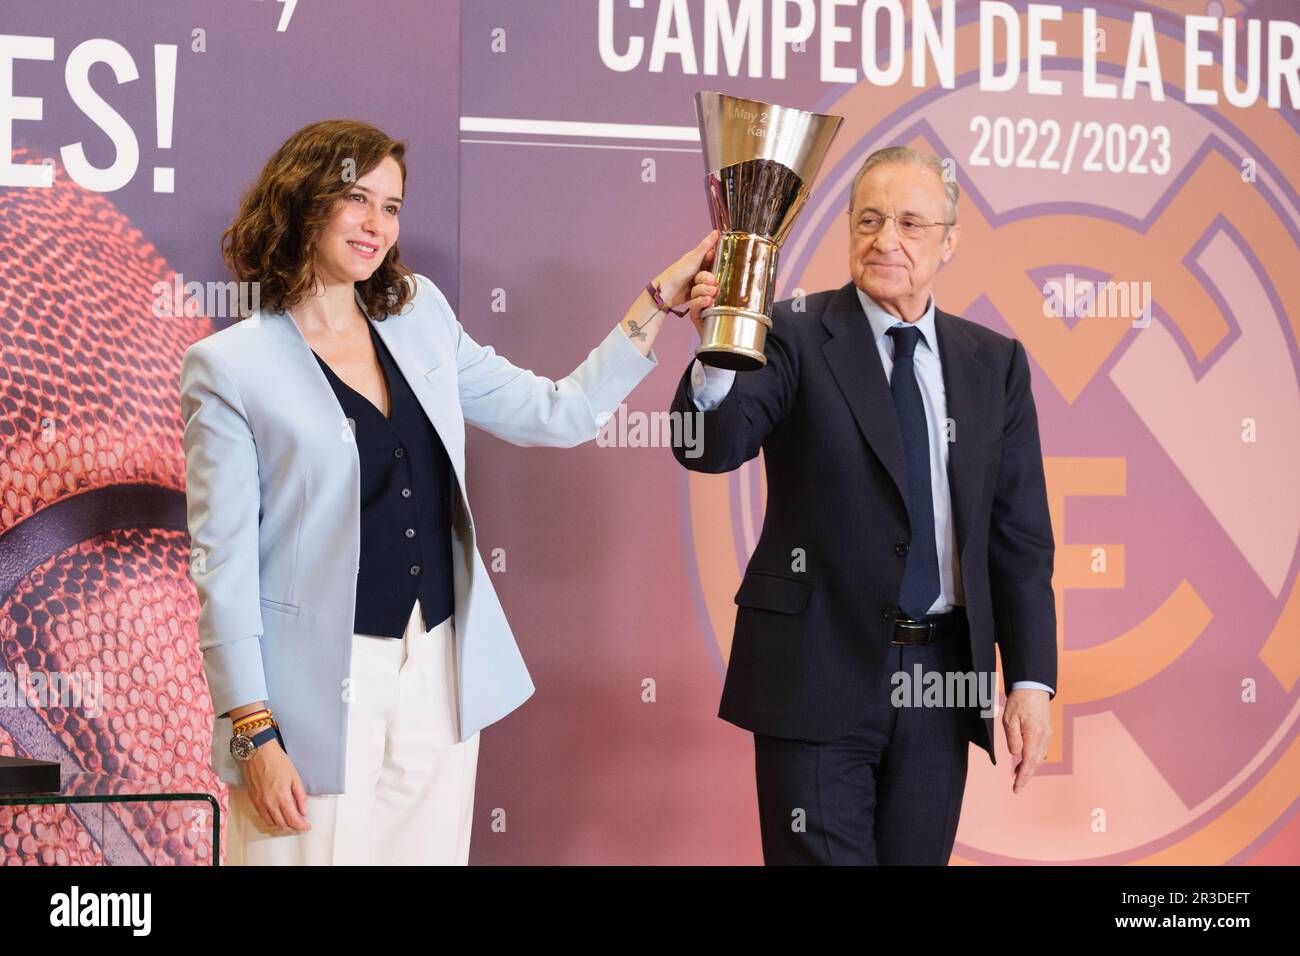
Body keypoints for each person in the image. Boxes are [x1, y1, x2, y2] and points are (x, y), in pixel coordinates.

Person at [180, 118, 717, 865]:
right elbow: (223, 568)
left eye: (392, 206)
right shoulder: (230, 368)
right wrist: (253, 732)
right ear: (303, 200)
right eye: (356, 198)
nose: (376, 224)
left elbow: (558, 413)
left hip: (437, 674)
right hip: (311, 694)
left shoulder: (419, 314)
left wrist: (657, 302)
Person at [670, 146, 1056, 865]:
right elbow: (707, 446)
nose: (887, 240)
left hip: (942, 681)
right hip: (814, 673)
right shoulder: (787, 332)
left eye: (911, 223)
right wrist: (719, 349)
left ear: (949, 240)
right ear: (847, 228)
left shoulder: (993, 362)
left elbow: (1019, 537)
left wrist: (1030, 680)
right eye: (870, 219)